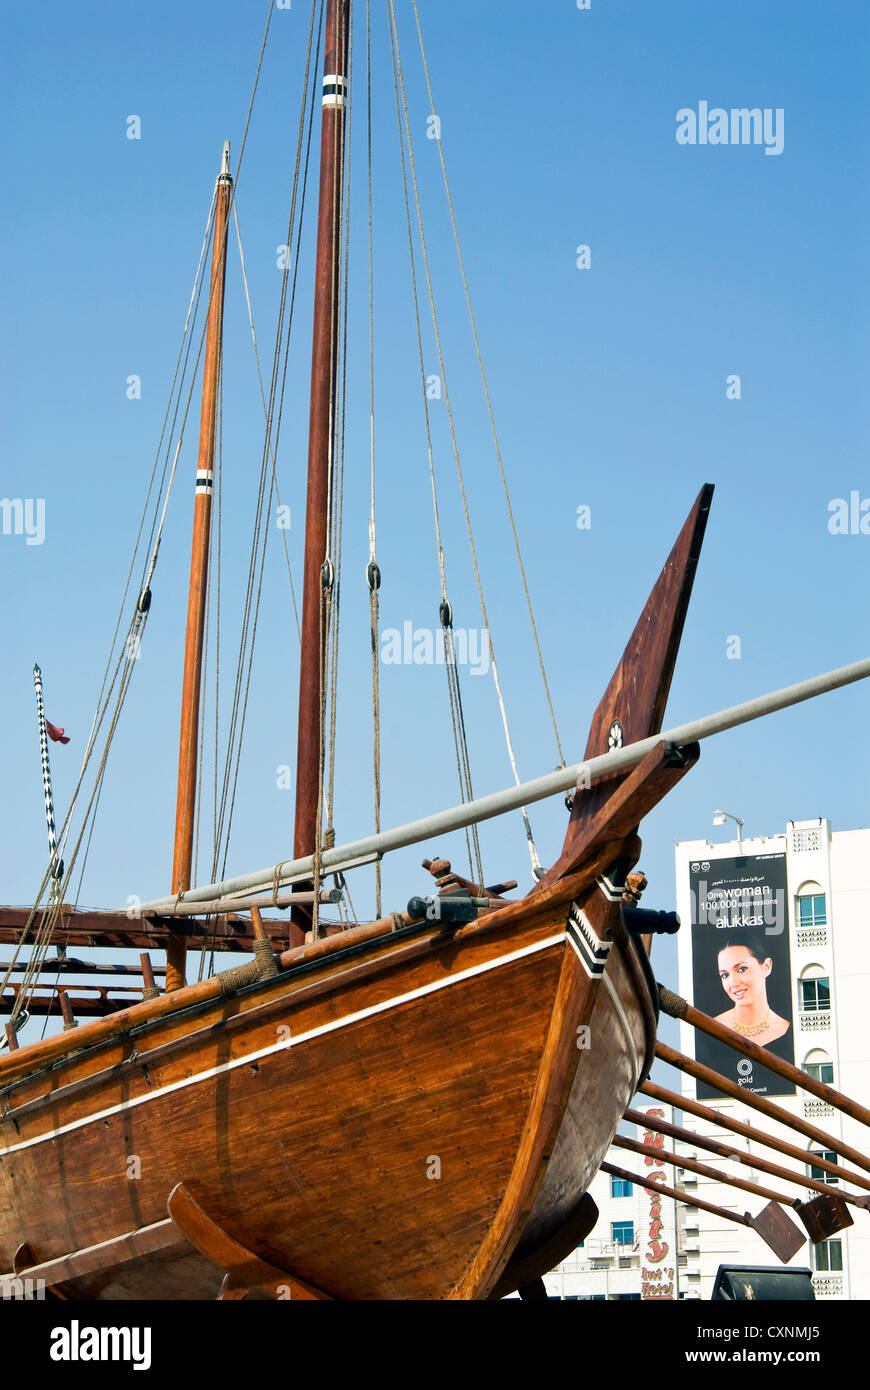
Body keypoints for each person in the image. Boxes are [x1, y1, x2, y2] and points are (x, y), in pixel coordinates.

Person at [714, 937, 790, 1044]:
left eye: (741, 969)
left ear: (766, 967)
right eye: (725, 975)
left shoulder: (785, 1029)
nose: (733, 983)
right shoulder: (713, 1027)